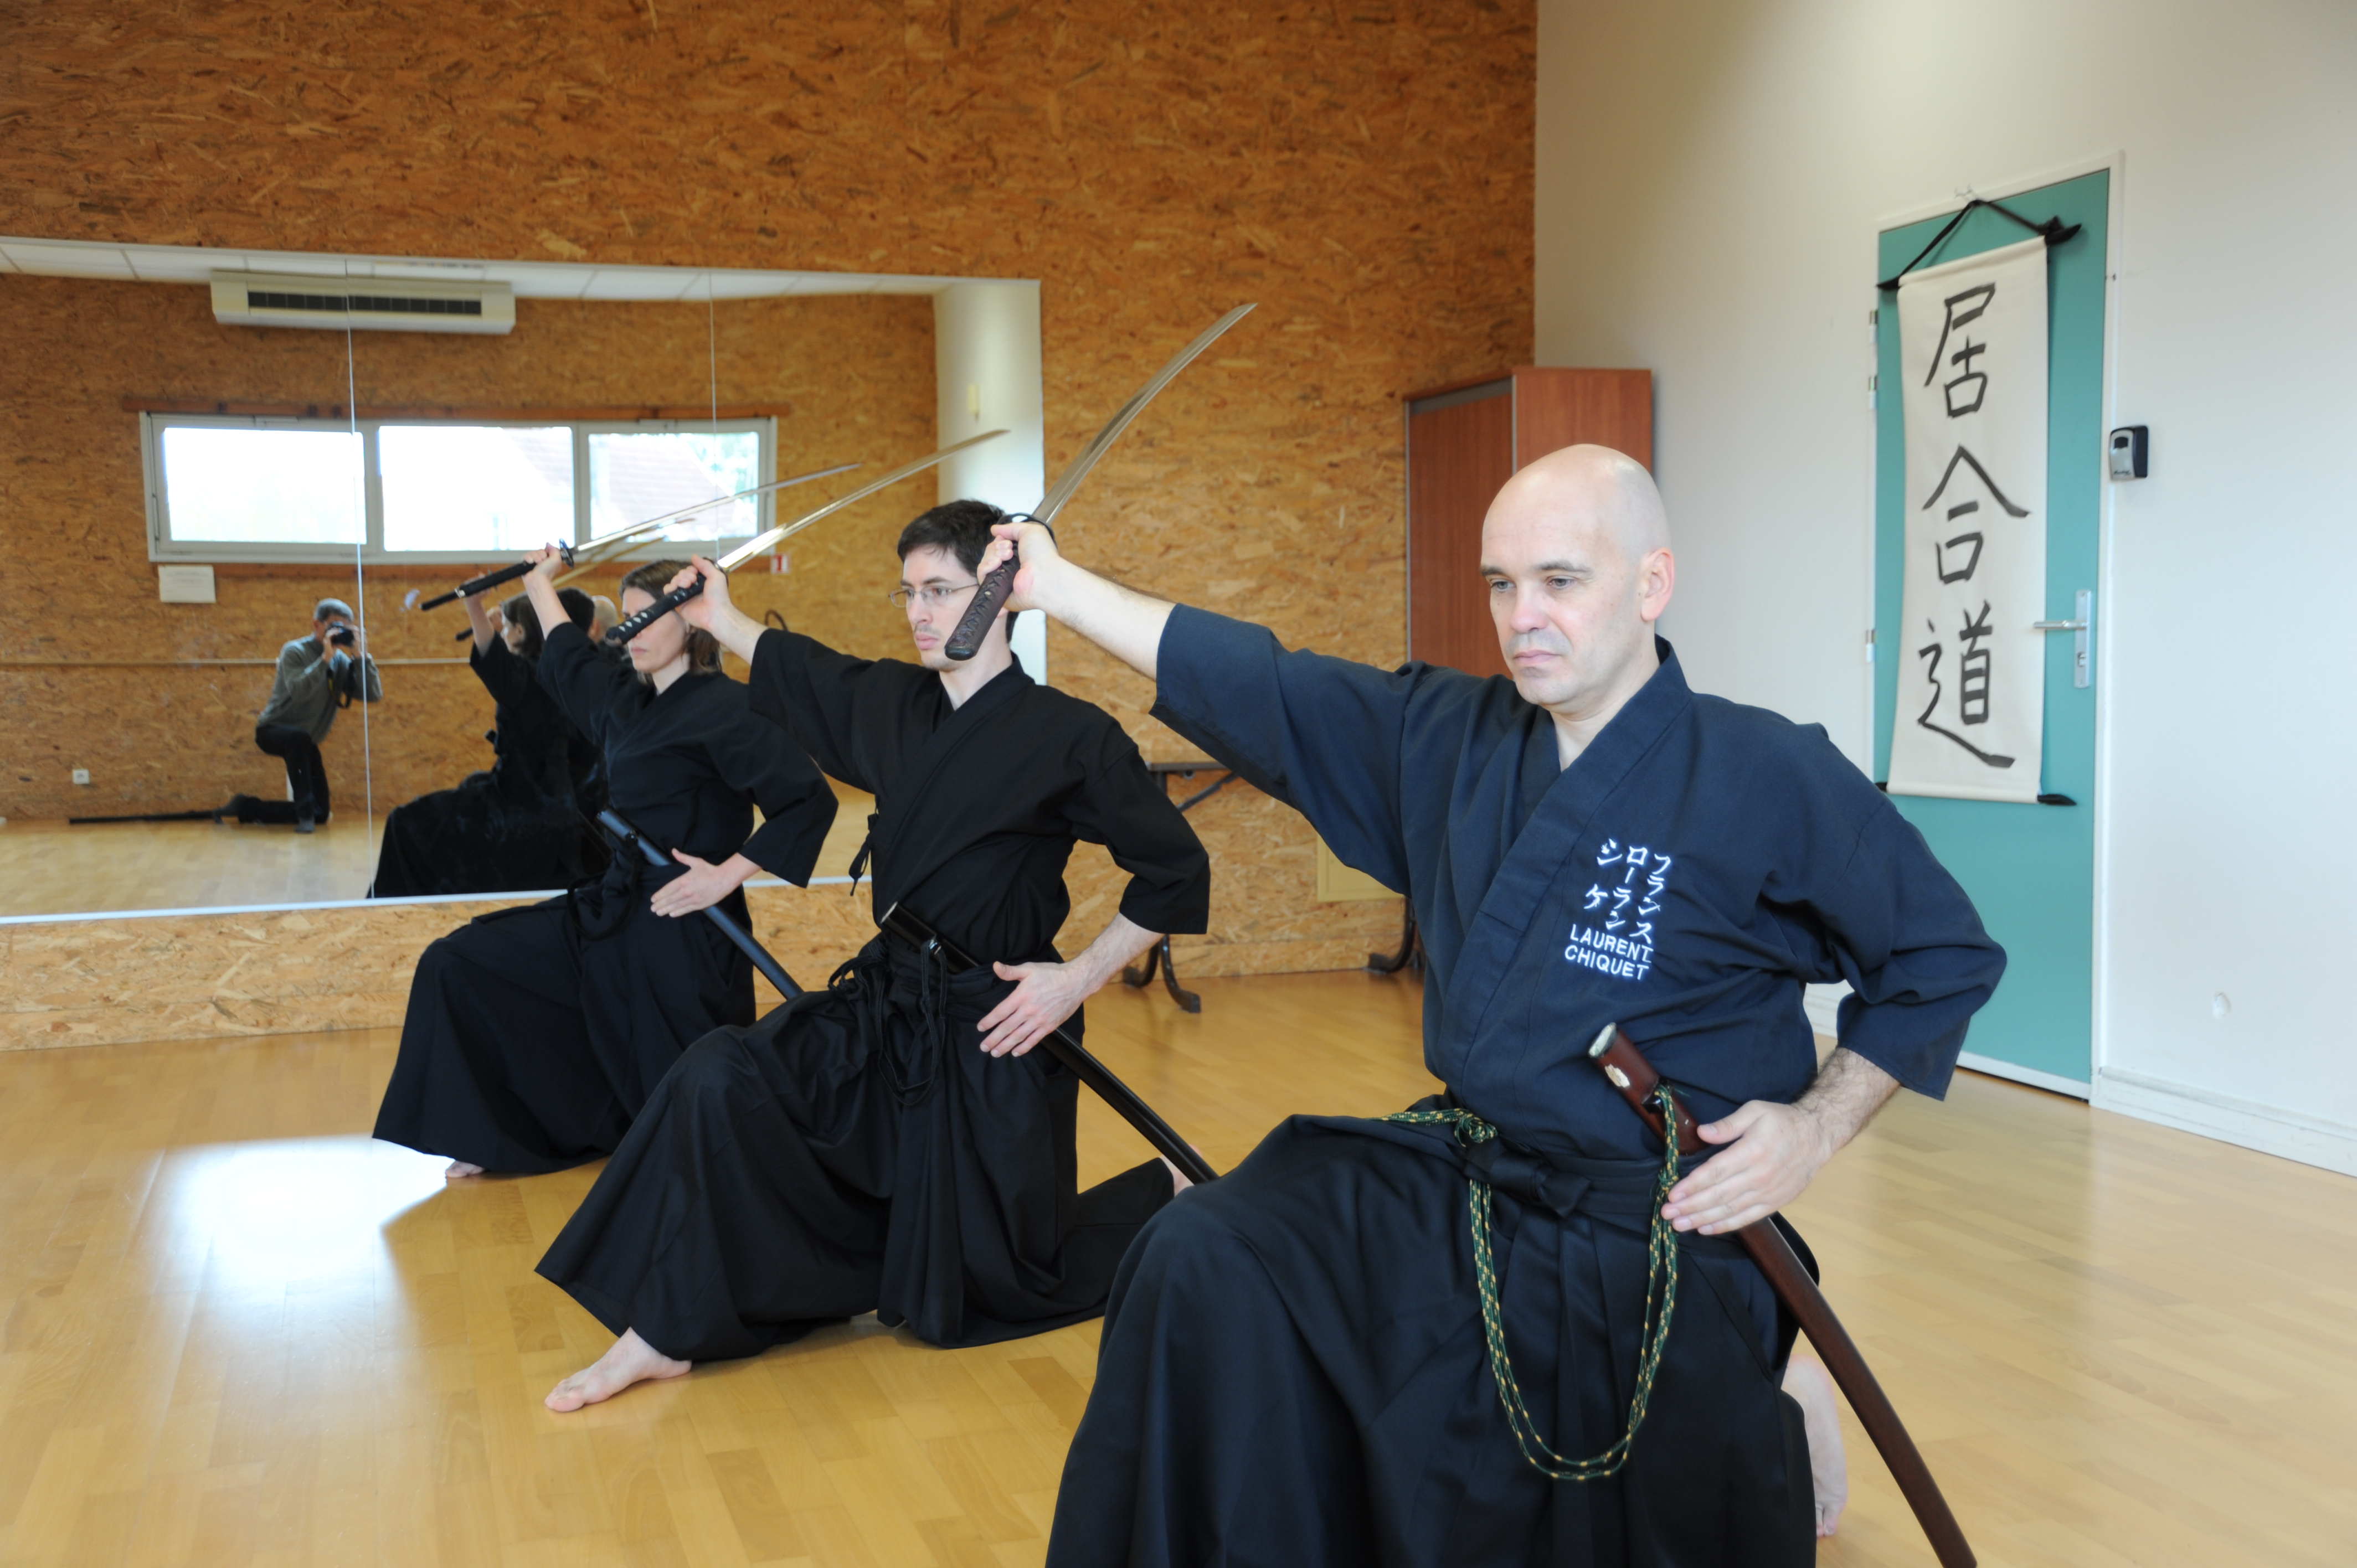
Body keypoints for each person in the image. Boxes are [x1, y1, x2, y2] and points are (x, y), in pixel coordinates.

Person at [981, 445, 2004, 1567]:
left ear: (1651, 584)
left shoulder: (1761, 769)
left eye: (1560, 581)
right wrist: (1055, 586)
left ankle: (1782, 1394)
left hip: (1660, 1222)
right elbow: (1268, 684)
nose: (1523, 617)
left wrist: (1811, 1128)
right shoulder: (1449, 736)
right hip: (1474, 1176)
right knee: (1203, 1254)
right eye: (1500, 585)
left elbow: (1940, 955)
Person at [533, 499, 1213, 1412]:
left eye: (941, 590)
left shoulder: (1070, 735)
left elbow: (1172, 871)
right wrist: (720, 617)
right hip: (886, 1003)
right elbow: (806, 672)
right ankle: (660, 1327)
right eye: (909, 593)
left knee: (979, 1292)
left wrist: (1074, 979)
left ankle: (1161, 1191)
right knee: (718, 1077)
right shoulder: (895, 705)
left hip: (997, 1022)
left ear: (1002, 592)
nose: (920, 612)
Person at [371, 555, 838, 1180]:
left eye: (652, 615)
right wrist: (538, 580)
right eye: (629, 616)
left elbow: (806, 800)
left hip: (684, 927)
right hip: (613, 902)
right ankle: (501, 1132)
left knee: (689, 1134)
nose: (634, 630)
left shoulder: (732, 708)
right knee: (458, 961)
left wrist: (725, 875)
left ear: (692, 624)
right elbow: (564, 652)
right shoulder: (622, 698)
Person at [366, 585, 609, 899]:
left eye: (510, 628)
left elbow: (491, 655)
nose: (504, 634)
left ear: (522, 633)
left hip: (519, 806)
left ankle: (391, 905)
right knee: (465, 790)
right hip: (557, 801)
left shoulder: (524, 678)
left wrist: (475, 606)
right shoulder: (569, 676)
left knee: (404, 822)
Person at [219, 597, 382, 832]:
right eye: (334, 626)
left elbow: (373, 695)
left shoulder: (342, 661)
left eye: (344, 629)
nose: (339, 633)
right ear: (317, 625)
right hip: (272, 730)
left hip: (305, 741)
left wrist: (361, 657)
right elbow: (299, 692)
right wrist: (325, 659)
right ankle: (304, 815)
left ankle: (246, 807)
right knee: (298, 738)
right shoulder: (294, 651)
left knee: (322, 813)